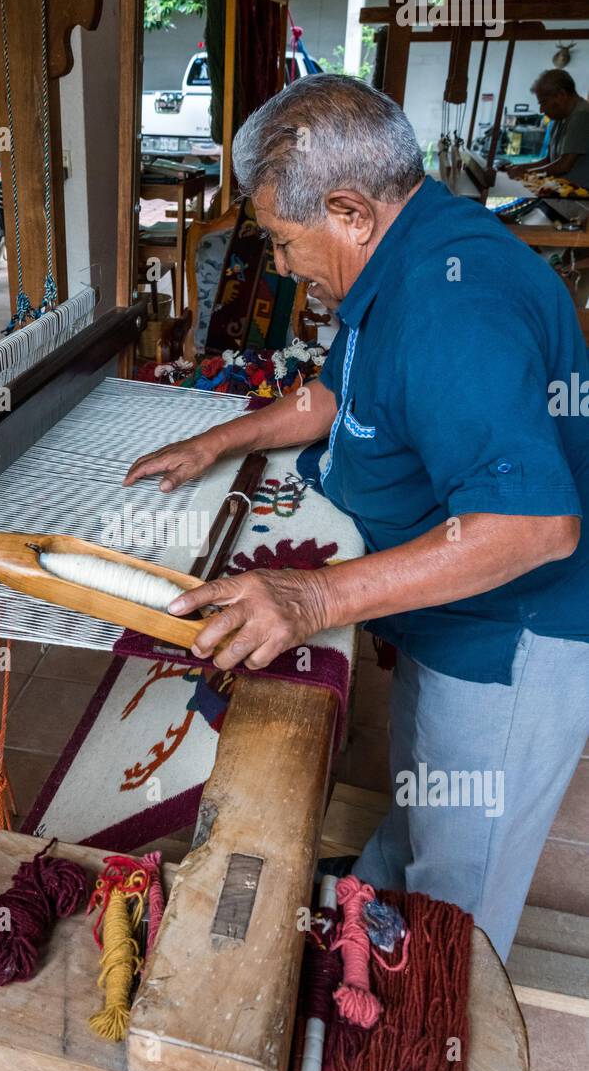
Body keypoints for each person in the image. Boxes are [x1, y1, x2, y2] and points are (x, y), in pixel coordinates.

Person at [124, 74, 589, 960]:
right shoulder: (403, 253)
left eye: (281, 239)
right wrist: (218, 440)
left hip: (510, 635)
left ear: (346, 209)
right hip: (447, 614)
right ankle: (365, 925)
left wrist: (311, 601)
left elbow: (532, 527)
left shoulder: (453, 308)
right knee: (421, 799)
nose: (281, 262)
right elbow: (331, 396)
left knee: (460, 887)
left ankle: (419, 1026)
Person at [503, 68, 589, 190]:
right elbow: (549, 160)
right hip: (561, 193)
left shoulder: (582, 115)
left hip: (580, 199)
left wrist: (526, 173)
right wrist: (519, 168)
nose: (541, 110)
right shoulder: (558, 118)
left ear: (561, 95)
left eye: (543, 102)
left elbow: (563, 166)